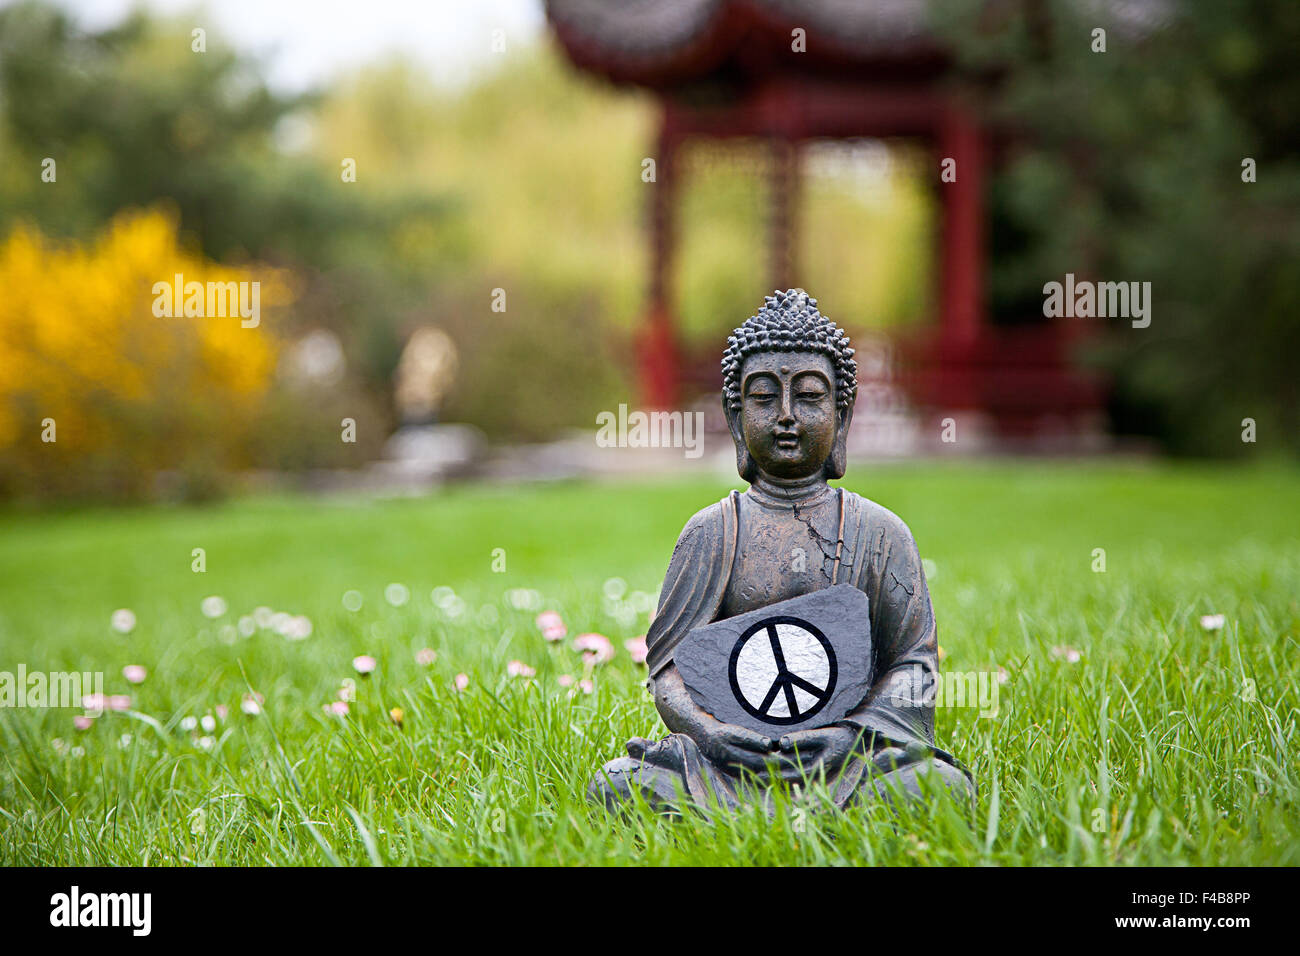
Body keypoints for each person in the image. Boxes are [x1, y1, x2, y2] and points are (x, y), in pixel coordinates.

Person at [589, 289, 973, 813]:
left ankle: (815, 803)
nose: (787, 416)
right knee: (619, 785)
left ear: (842, 415)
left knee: (935, 788)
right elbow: (668, 671)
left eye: (810, 396)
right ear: (735, 417)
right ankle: (778, 811)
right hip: (730, 762)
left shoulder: (881, 533)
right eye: (764, 398)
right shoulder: (711, 533)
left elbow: (913, 667)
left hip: (845, 759)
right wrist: (711, 734)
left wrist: (851, 737)